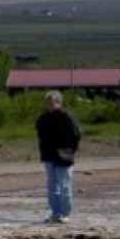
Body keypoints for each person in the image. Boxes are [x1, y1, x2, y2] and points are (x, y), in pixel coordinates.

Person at [36, 90, 83, 223]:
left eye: (53, 103)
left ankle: (65, 213)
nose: (50, 105)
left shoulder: (66, 117)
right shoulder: (43, 118)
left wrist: (71, 150)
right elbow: (40, 135)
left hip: (64, 155)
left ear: (59, 102)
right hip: (49, 156)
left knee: (64, 185)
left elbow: (77, 134)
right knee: (52, 186)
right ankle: (55, 213)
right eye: (48, 103)